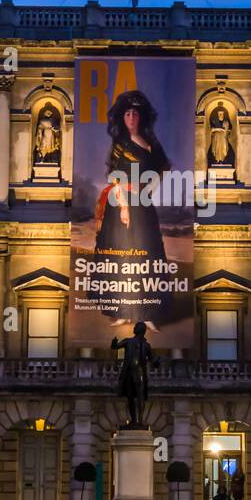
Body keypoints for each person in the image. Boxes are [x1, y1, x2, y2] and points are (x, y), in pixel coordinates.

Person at [93, 90, 171, 328]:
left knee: (147, 252)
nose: (131, 117)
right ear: (122, 117)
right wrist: (124, 206)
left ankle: (147, 313)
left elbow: (163, 168)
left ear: (141, 117)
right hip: (121, 204)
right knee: (121, 254)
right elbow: (115, 177)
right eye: (127, 113)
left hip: (143, 203)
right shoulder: (120, 145)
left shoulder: (150, 144)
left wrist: (150, 188)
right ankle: (122, 310)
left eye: (135, 113)